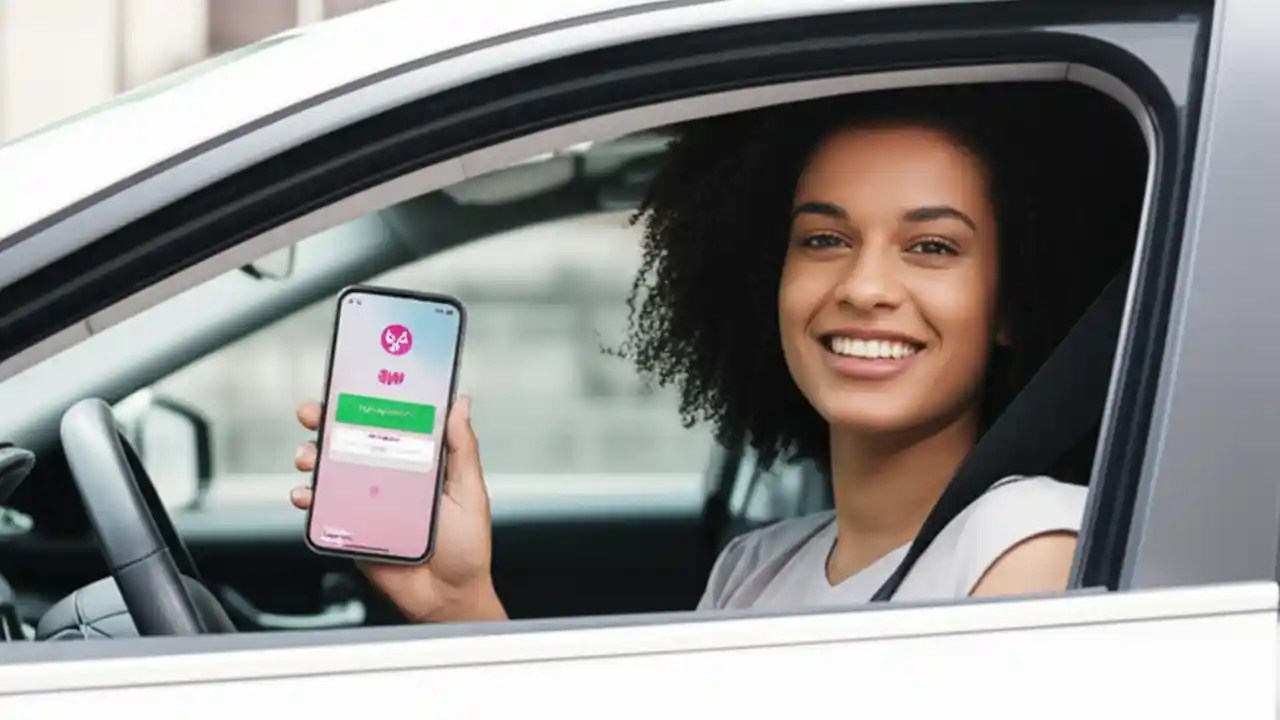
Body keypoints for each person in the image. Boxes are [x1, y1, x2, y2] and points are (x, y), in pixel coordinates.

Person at [288, 85, 1138, 620]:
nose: (865, 286)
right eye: (824, 239)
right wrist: (460, 603)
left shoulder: (1028, 549)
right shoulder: (758, 568)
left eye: (932, 248)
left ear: (1011, 307)